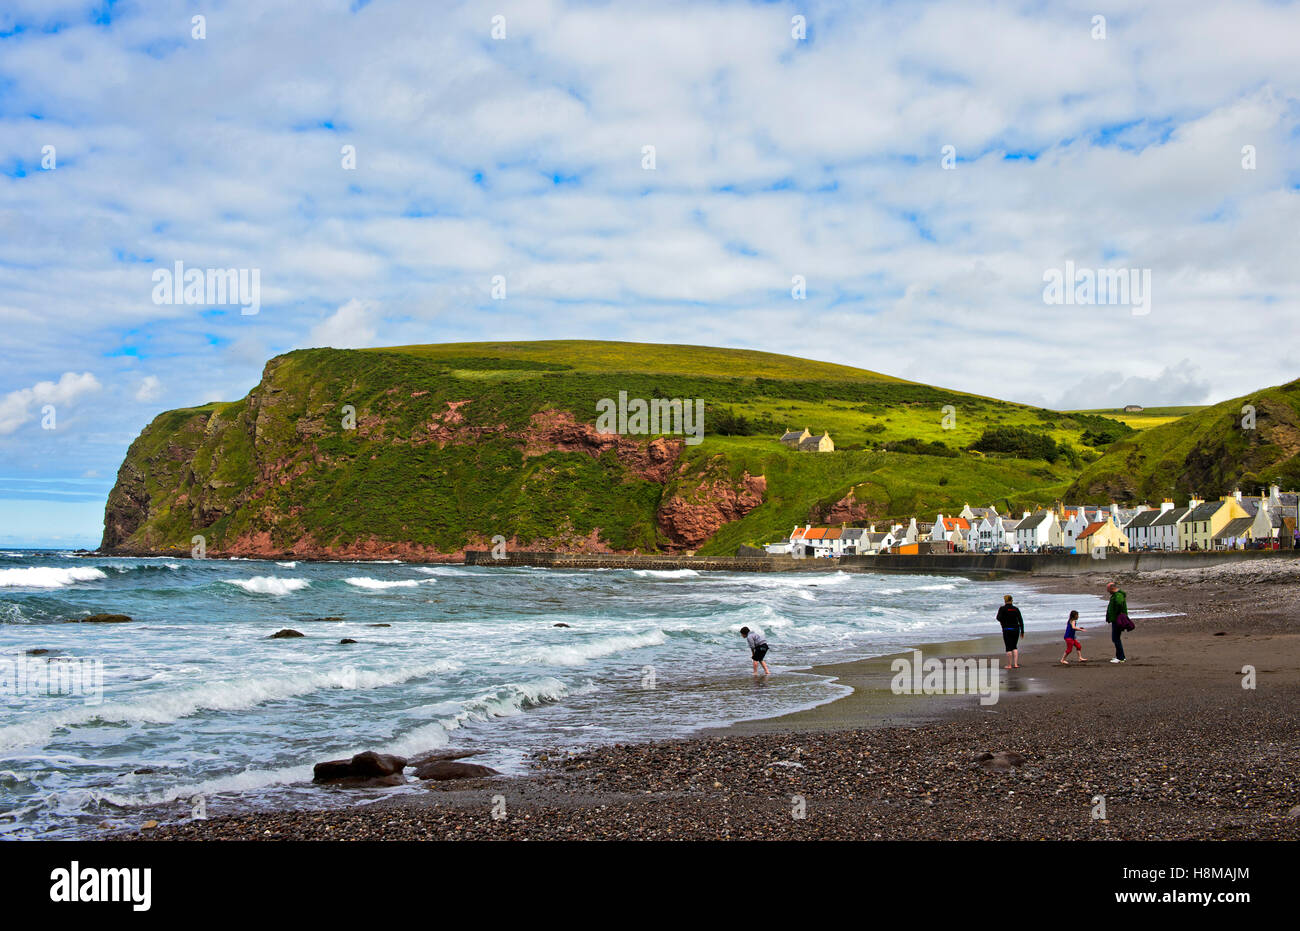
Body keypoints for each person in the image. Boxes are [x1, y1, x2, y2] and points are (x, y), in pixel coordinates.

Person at [996, 594, 1024, 669]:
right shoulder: (1016, 609)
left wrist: (1004, 620)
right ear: (1012, 600)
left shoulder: (1002, 609)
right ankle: (1015, 664)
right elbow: (1020, 620)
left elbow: (998, 618)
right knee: (1014, 646)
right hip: (1016, 629)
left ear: (1005, 601)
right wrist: (1022, 632)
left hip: (1007, 629)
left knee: (1008, 647)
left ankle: (1009, 665)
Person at [1105, 581, 1128, 663]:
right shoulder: (1115, 595)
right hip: (1115, 619)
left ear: (1112, 588)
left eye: (1108, 590)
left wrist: (1117, 614)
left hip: (1118, 620)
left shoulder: (1118, 595)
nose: (1108, 591)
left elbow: (1119, 603)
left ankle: (1121, 657)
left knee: (1115, 638)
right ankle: (1120, 656)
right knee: (1116, 638)